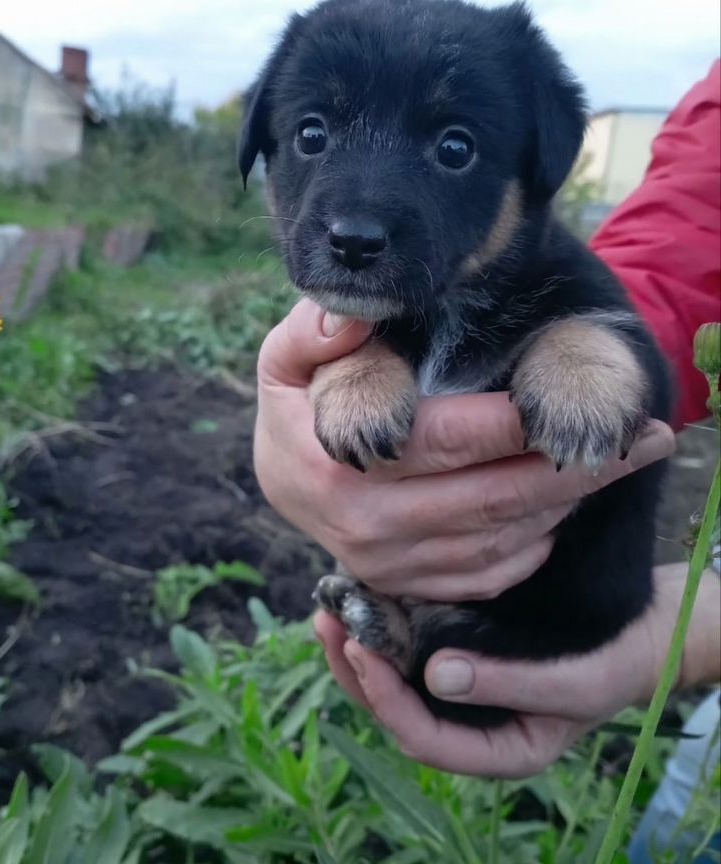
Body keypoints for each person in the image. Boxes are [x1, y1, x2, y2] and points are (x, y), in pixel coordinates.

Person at [253, 58, 720, 780]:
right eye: (312, 134)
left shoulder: (557, 287)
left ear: (535, 169)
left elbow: (608, 345)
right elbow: (693, 231)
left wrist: (582, 351)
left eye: (454, 149)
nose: (355, 216)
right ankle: (403, 629)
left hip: (568, 615)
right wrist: (344, 371)